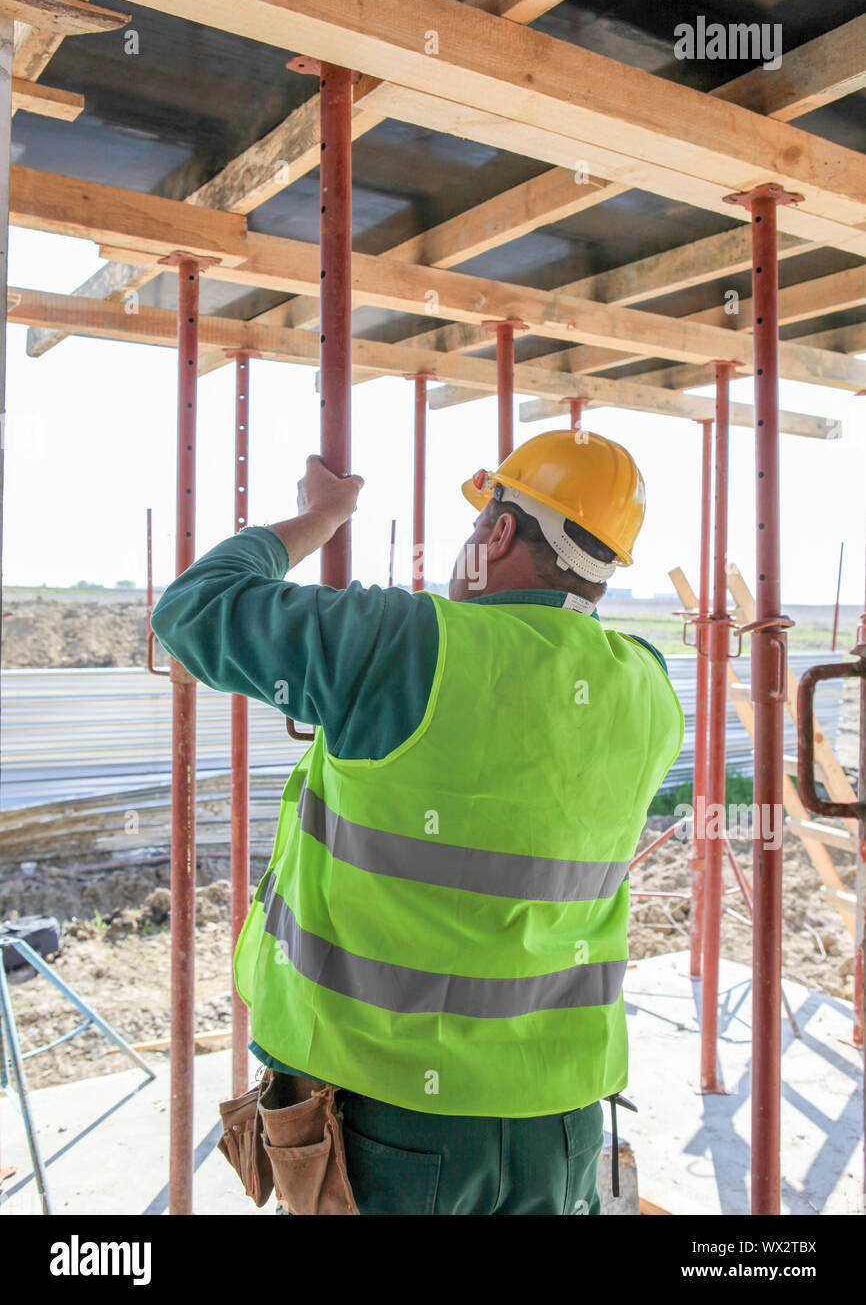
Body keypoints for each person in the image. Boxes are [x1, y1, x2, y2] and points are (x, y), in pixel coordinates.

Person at [152, 429, 683, 1215]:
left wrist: (318, 520)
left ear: (500, 532)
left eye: (478, 524)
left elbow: (191, 612)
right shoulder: (648, 685)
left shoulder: (411, 646)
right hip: (562, 1125)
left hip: (393, 1124)